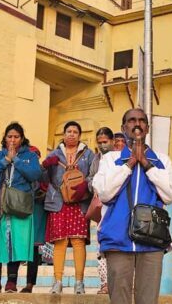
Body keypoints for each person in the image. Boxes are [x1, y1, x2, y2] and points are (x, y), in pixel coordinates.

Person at [93, 108, 172, 304]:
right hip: (117, 237)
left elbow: (170, 194)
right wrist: (130, 163)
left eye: (142, 121)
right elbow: (105, 193)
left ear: (147, 128)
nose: (137, 124)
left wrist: (146, 163)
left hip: (152, 239)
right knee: (119, 298)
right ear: (123, 127)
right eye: (132, 120)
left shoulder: (162, 160)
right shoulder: (110, 159)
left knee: (148, 299)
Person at [0, 123, 42, 293]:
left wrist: (16, 160)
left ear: (22, 139)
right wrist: (5, 160)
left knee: (15, 243)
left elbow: (35, 174)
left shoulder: (30, 156)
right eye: (9, 136)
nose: (12, 139)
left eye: (16, 136)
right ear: (5, 138)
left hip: (18, 206)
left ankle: (11, 282)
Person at [41, 121, 95, 294]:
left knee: (79, 241)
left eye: (75, 131)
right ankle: (57, 282)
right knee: (60, 242)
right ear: (63, 135)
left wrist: (85, 184)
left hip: (80, 202)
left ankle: (79, 283)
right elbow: (43, 179)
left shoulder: (89, 154)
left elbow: (94, 175)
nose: (71, 134)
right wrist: (46, 166)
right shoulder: (55, 154)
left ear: (80, 135)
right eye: (68, 131)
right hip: (58, 202)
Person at [89, 127, 115, 295]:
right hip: (102, 209)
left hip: (118, 208)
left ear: (112, 141)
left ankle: (122, 283)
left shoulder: (119, 158)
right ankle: (105, 283)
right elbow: (91, 177)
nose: (102, 145)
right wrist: (96, 187)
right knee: (102, 247)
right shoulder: (96, 159)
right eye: (99, 143)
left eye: (105, 142)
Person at [22, 145, 45, 293]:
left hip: (37, 210)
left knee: (34, 247)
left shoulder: (42, 171)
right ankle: (11, 281)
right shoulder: (20, 171)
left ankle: (30, 283)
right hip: (21, 209)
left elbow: (47, 187)